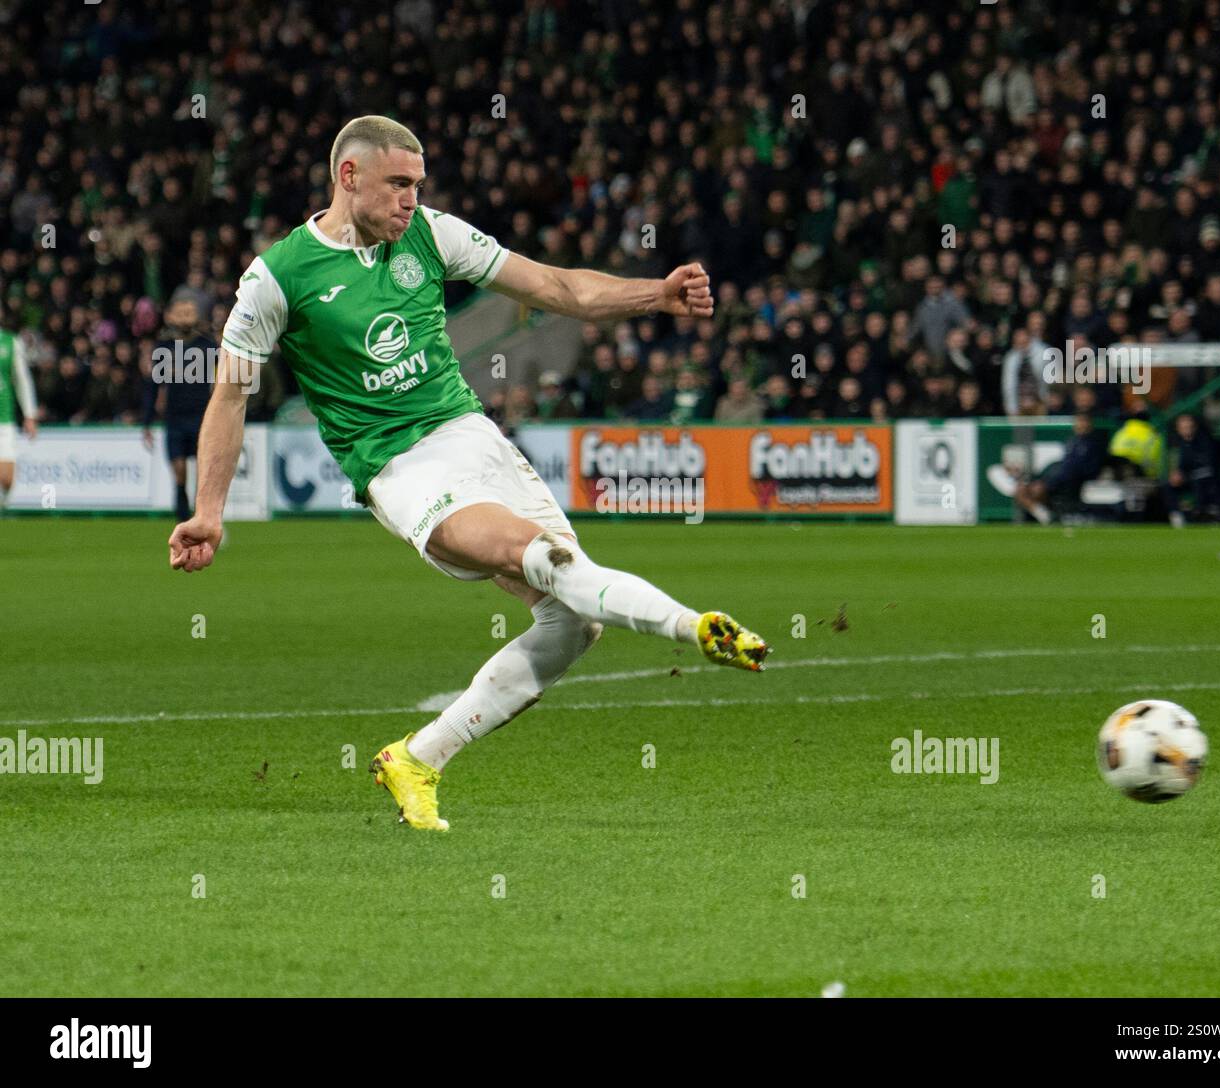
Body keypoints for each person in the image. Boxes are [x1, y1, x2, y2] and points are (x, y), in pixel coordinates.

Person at [166, 116, 770, 831]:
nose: (411, 201)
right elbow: (230, 392)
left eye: (418, 185)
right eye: (398, 184)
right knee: (545, 558)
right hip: (401, 469)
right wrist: (209, 510)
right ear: (348, 177)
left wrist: (657, 294)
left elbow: (555, 288)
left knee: (573, 625)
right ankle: (694, 625)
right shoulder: (278, 278)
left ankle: (417, 758)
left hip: (474, 438)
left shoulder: (432, 234)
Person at [142, 299, 216, 521]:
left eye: (190, 312)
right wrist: (146, 422)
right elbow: (153, 388)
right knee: (180, 472)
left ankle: (203, 519)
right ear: (171, 317)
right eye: (181, 313)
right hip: (174, 419)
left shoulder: (208, 346)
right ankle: (183, 521)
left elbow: (222, 384)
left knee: (204, 475)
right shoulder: (164, 348)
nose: (185, 317)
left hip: (202, 418)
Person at [1014, 411, 1107, 524]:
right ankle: (1043, 514)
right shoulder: (1072, 441)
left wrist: (1049, 483)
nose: (1081, 425)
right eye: (1079, 421)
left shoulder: (1094, 444)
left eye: (1084, 422)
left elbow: (1084, 470)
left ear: (1090, 424)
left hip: (1069, 483)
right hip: (1054, 479)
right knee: (1020, 490)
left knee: (1036, 491)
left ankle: (1047, 515)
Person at [0, 323, 38, 512]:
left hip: (4, 418)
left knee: (6, 478)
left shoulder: (10, 342)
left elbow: (22, 380)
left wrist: (29, 415)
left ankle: (3, 502)